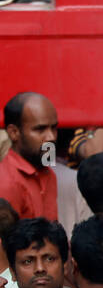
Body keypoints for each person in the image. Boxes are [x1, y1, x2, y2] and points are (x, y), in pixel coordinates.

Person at [0, 93, 59, 221]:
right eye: (40, 129)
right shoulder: (7, 183)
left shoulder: (48, 173)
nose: (51, 137)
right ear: (14, 132)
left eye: (54, 128)